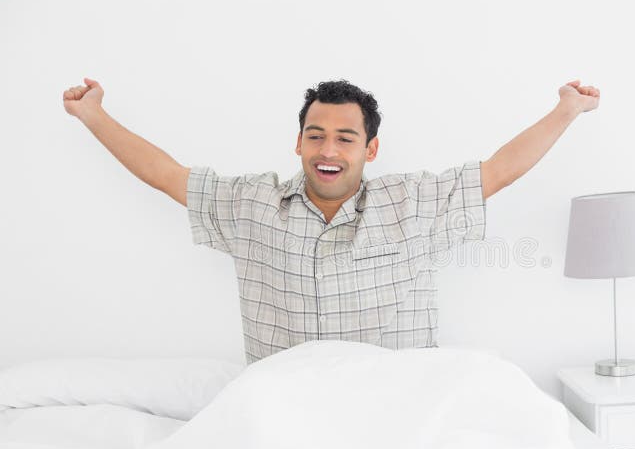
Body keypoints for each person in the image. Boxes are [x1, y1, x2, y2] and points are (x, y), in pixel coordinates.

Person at [63, 78, 600, 364]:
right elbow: (166, 175)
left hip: (391, 407)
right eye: (316, 134)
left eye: (346, 138)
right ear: (299, 143)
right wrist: (94, 114)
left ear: (370, 149)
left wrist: (567, 109)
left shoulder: (411, 202)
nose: (329, 148)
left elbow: (500, 170)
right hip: (284, 411)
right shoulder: (253, 205)